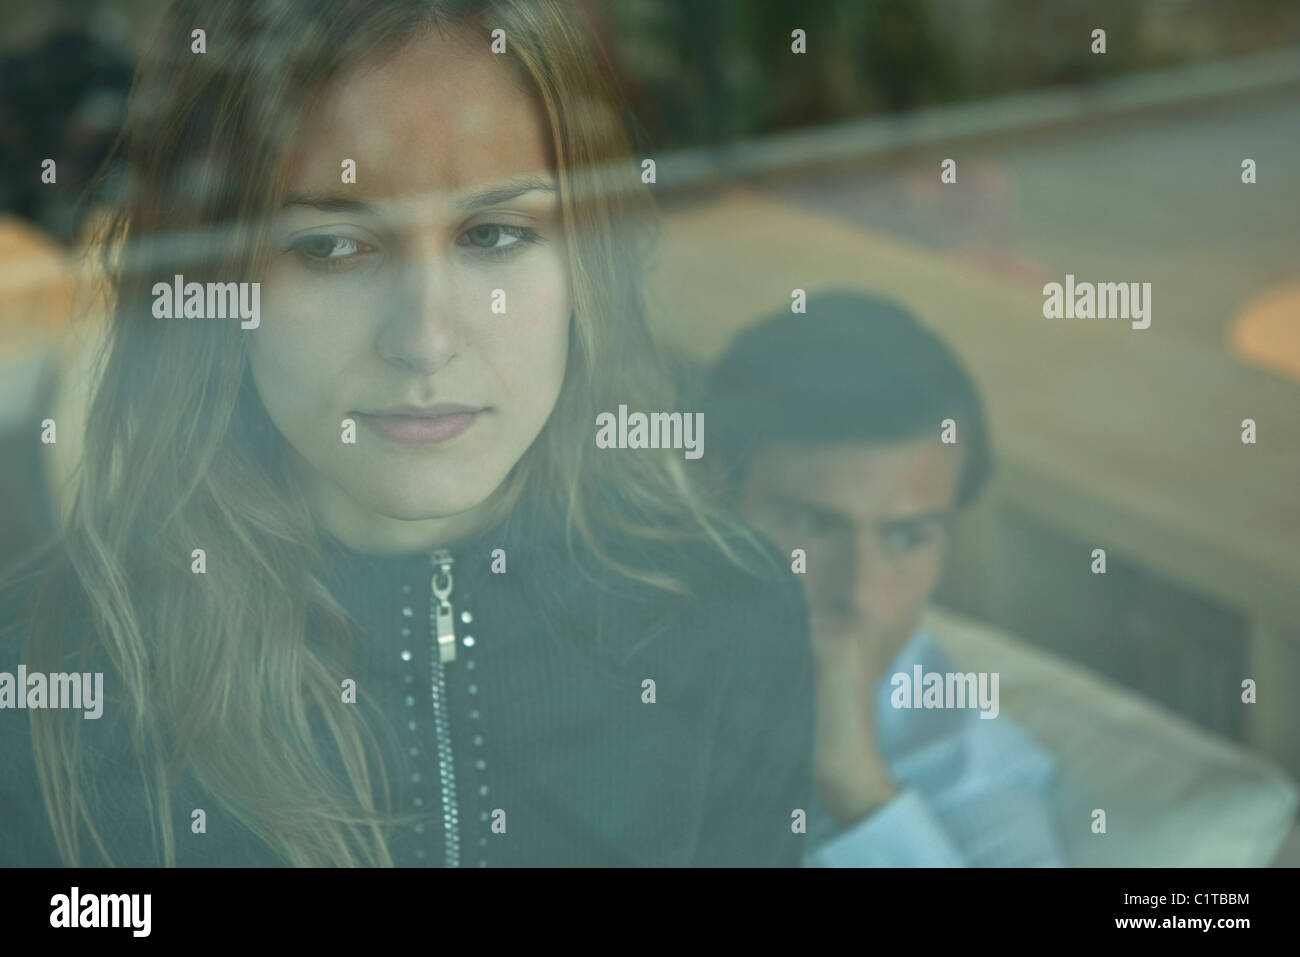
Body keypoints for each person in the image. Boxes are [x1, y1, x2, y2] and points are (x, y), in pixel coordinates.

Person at [0, 0, 814, 868]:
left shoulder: (727, 611)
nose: (424, 339)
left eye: (494, 235)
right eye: (332, 247)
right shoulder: (51, 675)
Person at [703, 290, 1064, 866]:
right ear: (715, 494)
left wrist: (858, 793)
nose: (860, 595)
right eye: (815, 524)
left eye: (906, 537)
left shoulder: (979, 789)